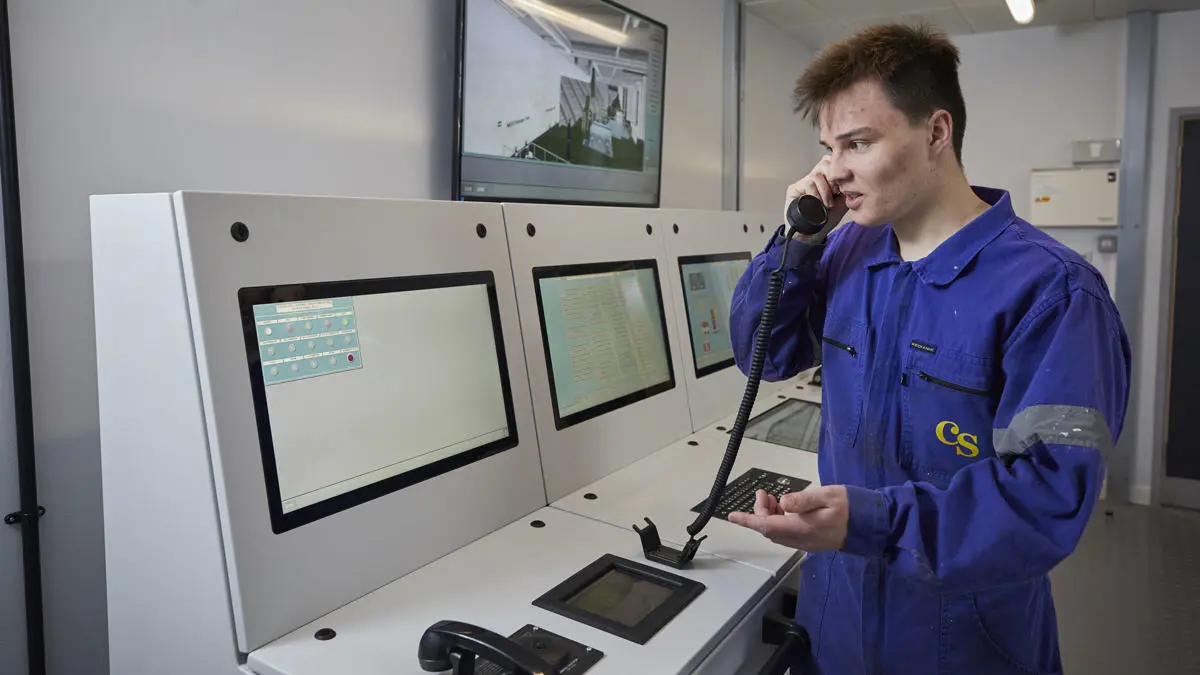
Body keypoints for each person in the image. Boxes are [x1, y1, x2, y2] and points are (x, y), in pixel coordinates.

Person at [725, 23, 1131, 675]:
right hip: (839, 619)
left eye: (857, 143)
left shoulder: (1053, 293)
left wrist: (875, 522)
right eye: (829, 148)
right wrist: (795, 242)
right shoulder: (846, 252)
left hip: (964, 637)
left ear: (936, 133)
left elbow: (1048, 497)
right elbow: (759, 353)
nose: (834, 170)